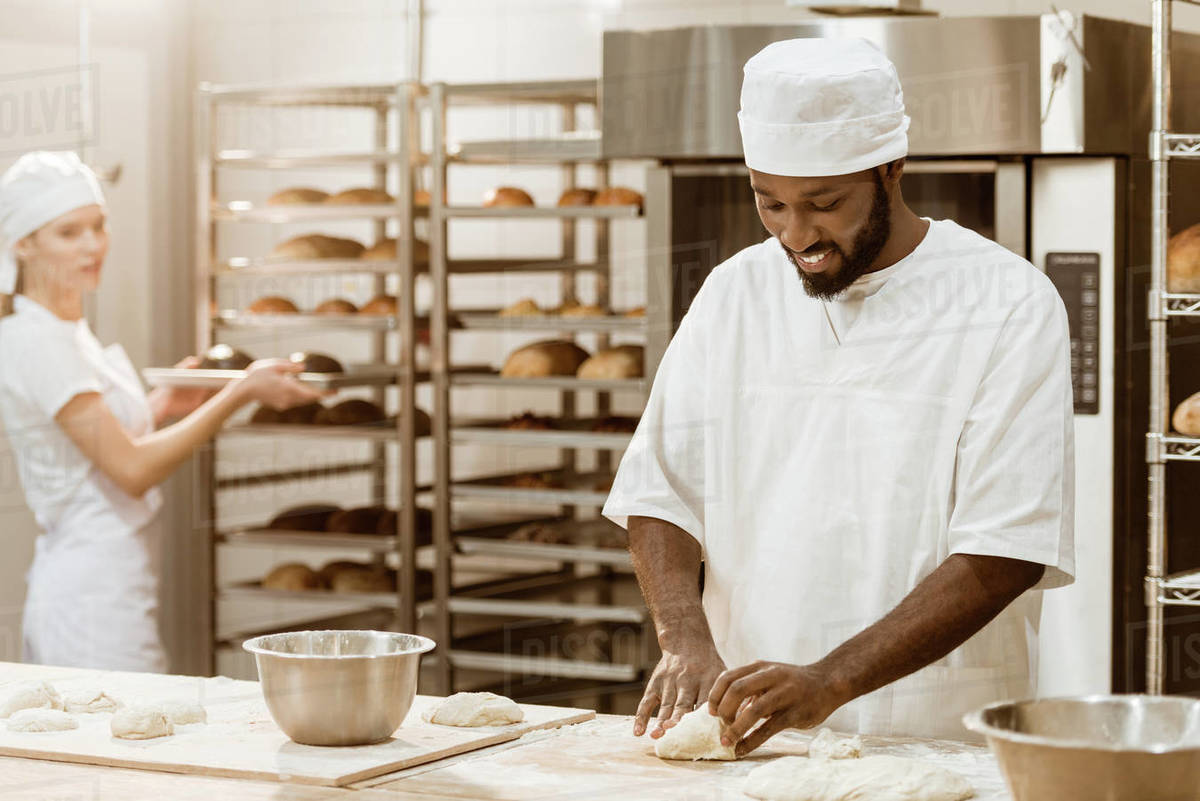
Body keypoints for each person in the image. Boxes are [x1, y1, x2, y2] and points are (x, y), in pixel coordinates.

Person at [603, 38, 1075, 752]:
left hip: (934, 739)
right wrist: (685, 635)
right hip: (754, 738)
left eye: (824, 204)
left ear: (891, 169)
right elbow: (658, 491)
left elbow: (1005, 550)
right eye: (771, 204)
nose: (798, 235)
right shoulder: (735, 293)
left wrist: (831, 679)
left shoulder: (1006, 301)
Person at [0, 151, 325, 672]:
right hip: (90, 603)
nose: (92, 245)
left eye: (98, 227)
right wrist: (239, 394)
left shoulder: (61, 330)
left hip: (110, 583)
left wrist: (164, 406)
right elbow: (130, 470)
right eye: (69, 233)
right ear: (24, 243)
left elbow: (90, 448)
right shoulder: (38, 342)